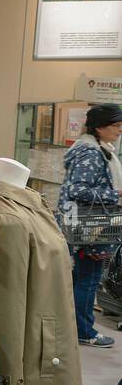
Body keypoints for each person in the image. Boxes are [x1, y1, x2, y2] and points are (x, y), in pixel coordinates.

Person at [58, 103, 122, 347]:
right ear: (100, 127)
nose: (119, 130)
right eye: (115, 125)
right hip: (90, 228)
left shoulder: (95, 149)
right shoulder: (93, 153)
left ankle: (76, 328)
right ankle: (84, 331)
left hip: (85, 225)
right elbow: (78, 189)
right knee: (88, 279)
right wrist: (115, 194)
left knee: (81, 278)